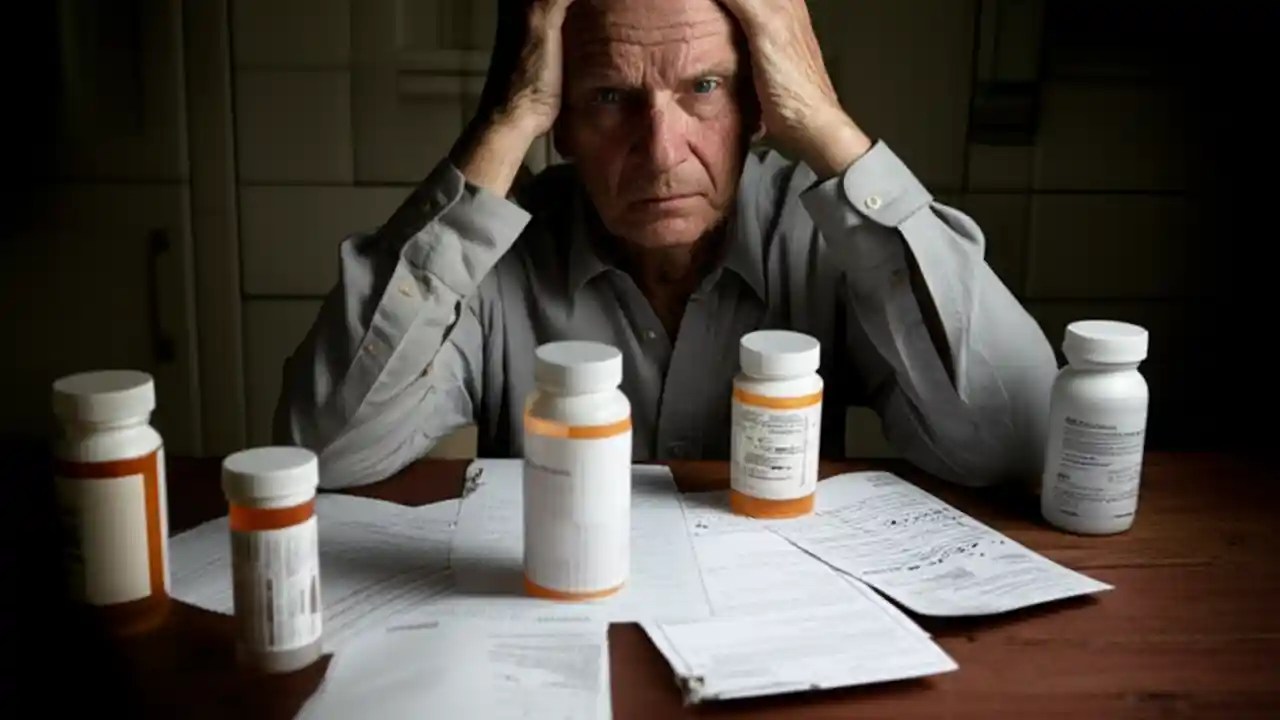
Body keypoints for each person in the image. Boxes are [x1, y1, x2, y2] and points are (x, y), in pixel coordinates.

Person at [274, 0, 1059, 490]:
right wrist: (504, 122)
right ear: (560, 124)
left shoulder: (827, 239)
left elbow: (1020, 443)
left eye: (704, 88)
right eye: (610, 97)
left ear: (760, 105)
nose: (660, 151)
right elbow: (327, 449)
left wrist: (825, 123)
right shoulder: (496, 252)